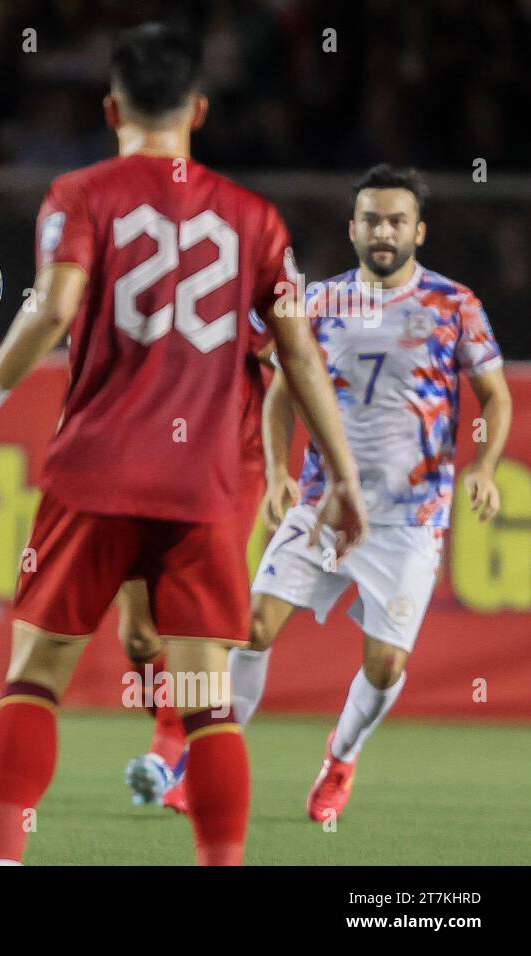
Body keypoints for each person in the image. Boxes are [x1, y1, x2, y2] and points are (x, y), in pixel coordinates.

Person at [0, 23, 368, 865]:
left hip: (92, 473)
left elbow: (52, 310)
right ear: (199, 110)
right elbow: (300, 354)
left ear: (110, 107)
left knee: (35, 679)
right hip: (202, 487)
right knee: (206, 702)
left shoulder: (81, 194)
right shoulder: (255, 218)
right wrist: (342, 477)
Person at [233, 164, 511, 821]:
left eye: (396, 220)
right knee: (250, 629)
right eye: (371, 220)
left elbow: (495, 396)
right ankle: (212, 761)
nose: (383, 231)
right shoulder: (320, 303)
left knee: (385, 665)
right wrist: (276, 472)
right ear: (352, 227)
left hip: (410, 520)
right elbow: (280, 393)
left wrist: (485, 466)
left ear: (418, 229)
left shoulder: (454, 305)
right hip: (322, 506)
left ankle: (341, 756)